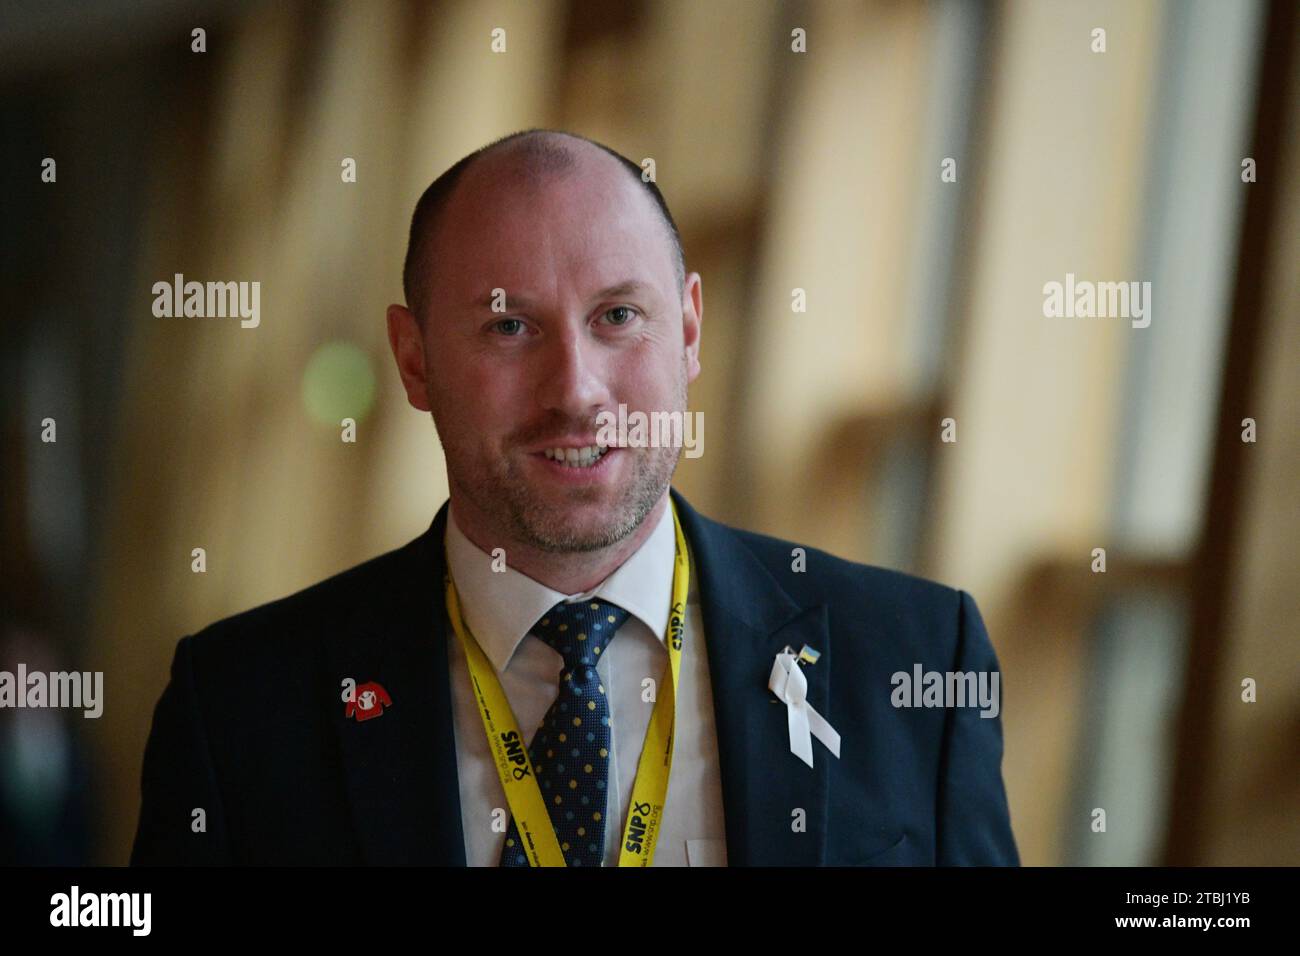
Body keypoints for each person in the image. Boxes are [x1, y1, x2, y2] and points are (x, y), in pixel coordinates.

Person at [131, 129, 1018, 866]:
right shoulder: (243, 708)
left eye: (618, 317)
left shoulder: (916, 662)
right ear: (414, 361)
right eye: (509, 326)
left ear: (689, 329)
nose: (577, 390)